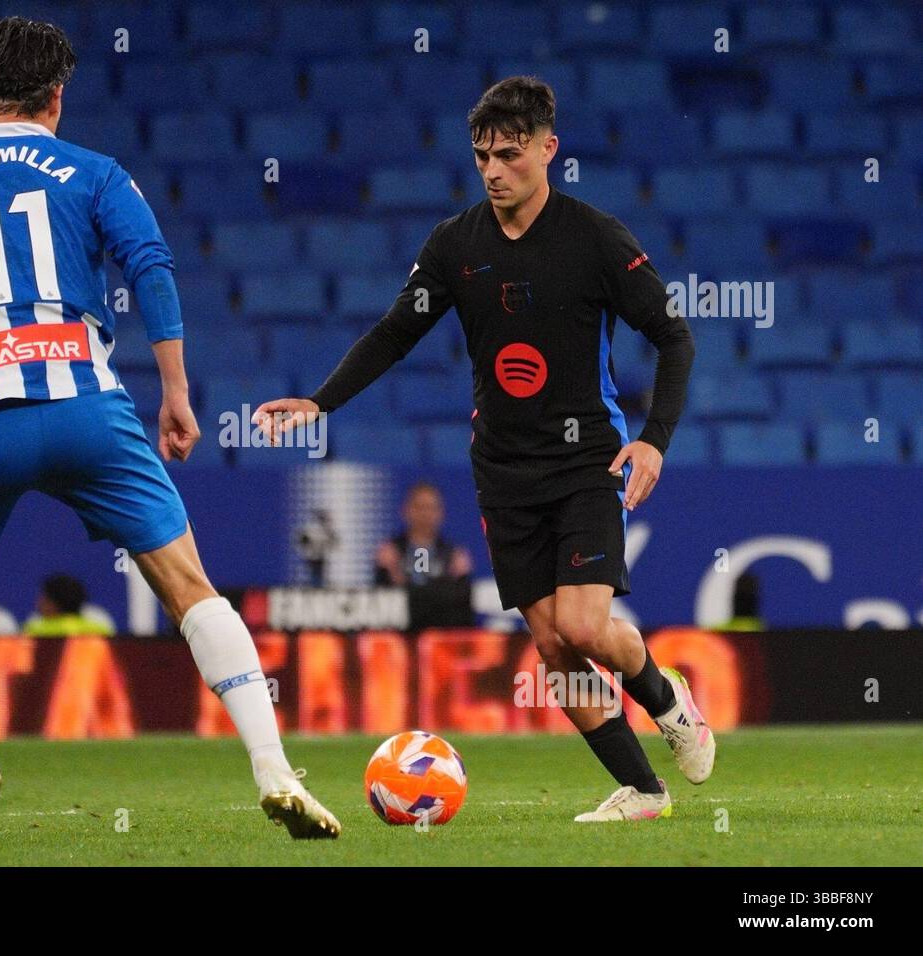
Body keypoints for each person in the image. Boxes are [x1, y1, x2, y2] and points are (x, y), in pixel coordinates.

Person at [0, 17, 337, 845]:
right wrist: (177, 393)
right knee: (190, 589)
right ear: (57, 99)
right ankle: (275, 770)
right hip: (91, 410)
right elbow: (151, 266)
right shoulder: (96, 171)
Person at [257, 77, 713, 823]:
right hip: (502, 470)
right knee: (554, 650)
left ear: (547, 149)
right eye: (482, 157)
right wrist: (319, 401)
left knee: (586, 628)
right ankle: (644, 791)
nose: (495, 170)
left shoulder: (596, 238)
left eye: (509, 154)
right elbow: (395, 333)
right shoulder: (454, 245)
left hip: (586, 462)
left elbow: (674, 336)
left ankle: (670, 703)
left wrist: (654, 441)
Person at [374, 482, 474, 628]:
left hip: (440, 635)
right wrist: (388, 571)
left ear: (441, 513)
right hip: (400, 636)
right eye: (419, 507)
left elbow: (462, 608)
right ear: (406, 510)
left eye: (430, 508)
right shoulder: (390, 553)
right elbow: (381, 603)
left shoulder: (455, 555)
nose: (425, 514)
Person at [23, 574, 114, 637]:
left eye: (44, 598)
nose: (38, 603)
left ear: (53, 604)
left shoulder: (35, 631)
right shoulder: (99, 630)